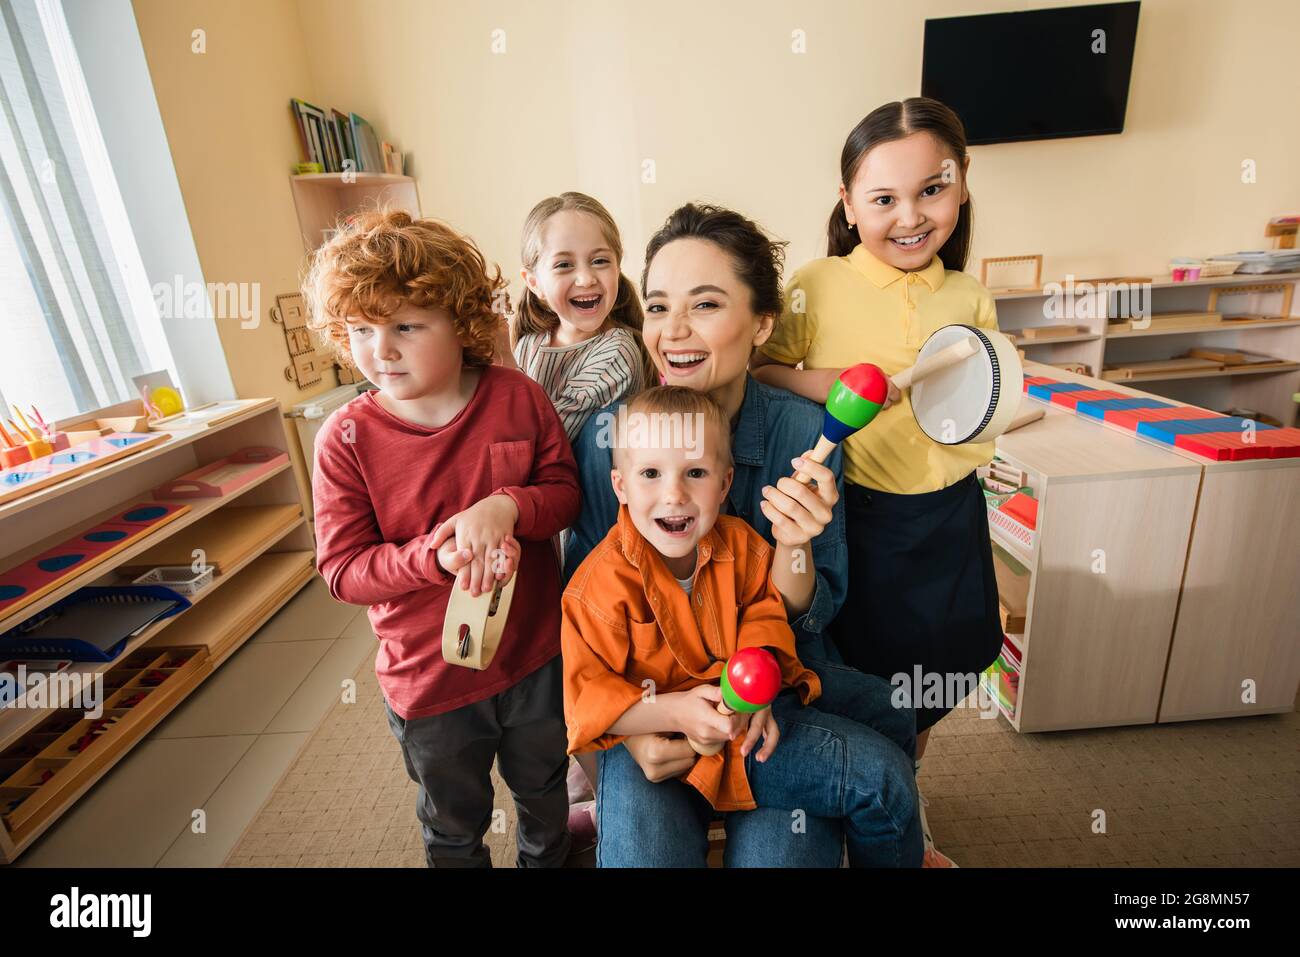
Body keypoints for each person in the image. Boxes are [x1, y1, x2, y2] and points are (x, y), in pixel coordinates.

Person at [566, 203, 915, 865]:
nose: (673, 332)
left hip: (768, 695)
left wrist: (794, 545)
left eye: (705, 305)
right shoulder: (606, 439)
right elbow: (583, 636)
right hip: (649, 699)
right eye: (660, 306)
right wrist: (633, 730)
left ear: (762, 323)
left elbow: (802, 614)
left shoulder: (803, 434)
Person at [751, 97, 1005, 867]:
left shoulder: (968, 294)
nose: (910, 216)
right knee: (867, 674)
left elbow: (981, 392)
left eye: (933, 189)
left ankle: (908, 792)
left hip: (952, 515)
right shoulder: (817, 283)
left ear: (961, 189)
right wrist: (836, 382)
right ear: (848, 204)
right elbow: (766, 367)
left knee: (944, 664)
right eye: (883, 198)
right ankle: (873, 800)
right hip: (862, 517)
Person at [305, 208, 580, 867]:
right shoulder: (343, 439)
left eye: (405, 325)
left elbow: (566, 494)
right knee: (454, 824)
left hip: (533, 656)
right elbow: (343, 568)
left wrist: (509, 507)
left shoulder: (517, 397)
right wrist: (433, 555)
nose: (381, 348)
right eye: (362, 329)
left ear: (461, 322)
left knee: (544, 795)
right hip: (429, 680)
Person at [509, 191, 653, 440]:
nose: (586, 279)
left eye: (599, 261)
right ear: (534, 283)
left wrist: (503, 363)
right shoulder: (530, 344)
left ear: (617, 268)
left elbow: (540, 441)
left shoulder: (616, 353)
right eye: (564, 265)